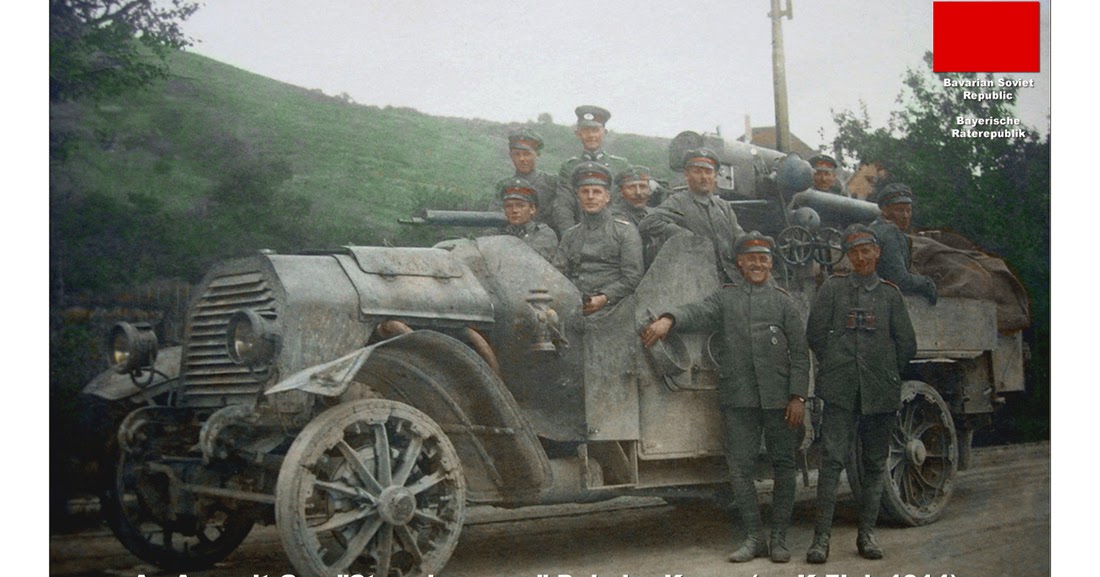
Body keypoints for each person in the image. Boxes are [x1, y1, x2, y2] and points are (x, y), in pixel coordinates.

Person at [640, 231, 810, 564]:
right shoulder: (726, 299)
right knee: (740, 469)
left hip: (779, 401)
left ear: (770, 263)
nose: (757, 265)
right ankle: (752, 538)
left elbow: (801, 355)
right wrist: (668, 319)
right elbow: (697, 312)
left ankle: (779, 539)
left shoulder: (783, 302)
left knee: (785, 466)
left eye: (763, 259)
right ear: (740, 264)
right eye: (751, 260)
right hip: (740, 399)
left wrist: (798, 397)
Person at [804, 224, 917, 564]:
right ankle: (820, 540)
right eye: (854, 252)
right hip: (840, 390)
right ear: (848, 257)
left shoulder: (890, 295)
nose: (862, 257)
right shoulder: (833, 289)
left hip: (880, 391)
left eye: (867, 250)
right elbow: (815, 334)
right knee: (831, 461)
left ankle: (867, 536)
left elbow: (907, 344)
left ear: (877, 252)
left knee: (873, 463)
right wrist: (839, 364)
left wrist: (882, 370)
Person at [639, 147, 745, 282]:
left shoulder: (723, 206)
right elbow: (648, 223)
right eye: (697, 172)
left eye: (708, 172)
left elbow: (739, 237)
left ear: (715, 176)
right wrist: (685, 236)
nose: (704, 177)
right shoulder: (678, 202)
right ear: (687, 175)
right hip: (697, 279)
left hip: (731, 277)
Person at [553, 161, 643, 316]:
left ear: (607, 196)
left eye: (596, 192)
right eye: (585, 191)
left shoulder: (625, 231)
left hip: (614, 308)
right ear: (577, 196)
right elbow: (557, 274)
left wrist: (604, 297)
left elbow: (633, 278)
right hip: (574, 307)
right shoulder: (571, 235)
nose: (590, 197)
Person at [551, 106, 630, 231]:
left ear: (604, 132)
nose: (591, 135)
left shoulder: (620, 166)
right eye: (586, 130)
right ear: (578, 134)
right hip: (579, 230)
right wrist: (571, 236)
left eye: (595, 130)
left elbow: (623, 204)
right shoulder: (569, 167)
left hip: (613, 232)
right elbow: (563, 205)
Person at [868, 182, 938, 304]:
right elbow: (900, 280)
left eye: (908, 210)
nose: (905, 216)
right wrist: (926, 282)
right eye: (899, 210)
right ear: (885, 210)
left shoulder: (873, 228)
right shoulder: (890, 232)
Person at [492, 127, 559, 231]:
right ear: (511, 156)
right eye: (517, 154)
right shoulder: (504, 185)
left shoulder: (551, 182)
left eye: (527, 154)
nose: (522, 159)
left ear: (537, 154)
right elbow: (494, 219)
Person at [498, 177, 558, 261]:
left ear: (532, 209)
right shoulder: (499, 233)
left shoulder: (544, 234)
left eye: (520, 206)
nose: (514, 210)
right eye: (508, 206)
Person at [611, 166, 659, 268]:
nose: (638, 192)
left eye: (642, 187)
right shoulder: (614, 217)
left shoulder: (655, 214)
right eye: (631, 187)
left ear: (650, 190)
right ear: (621, 192)